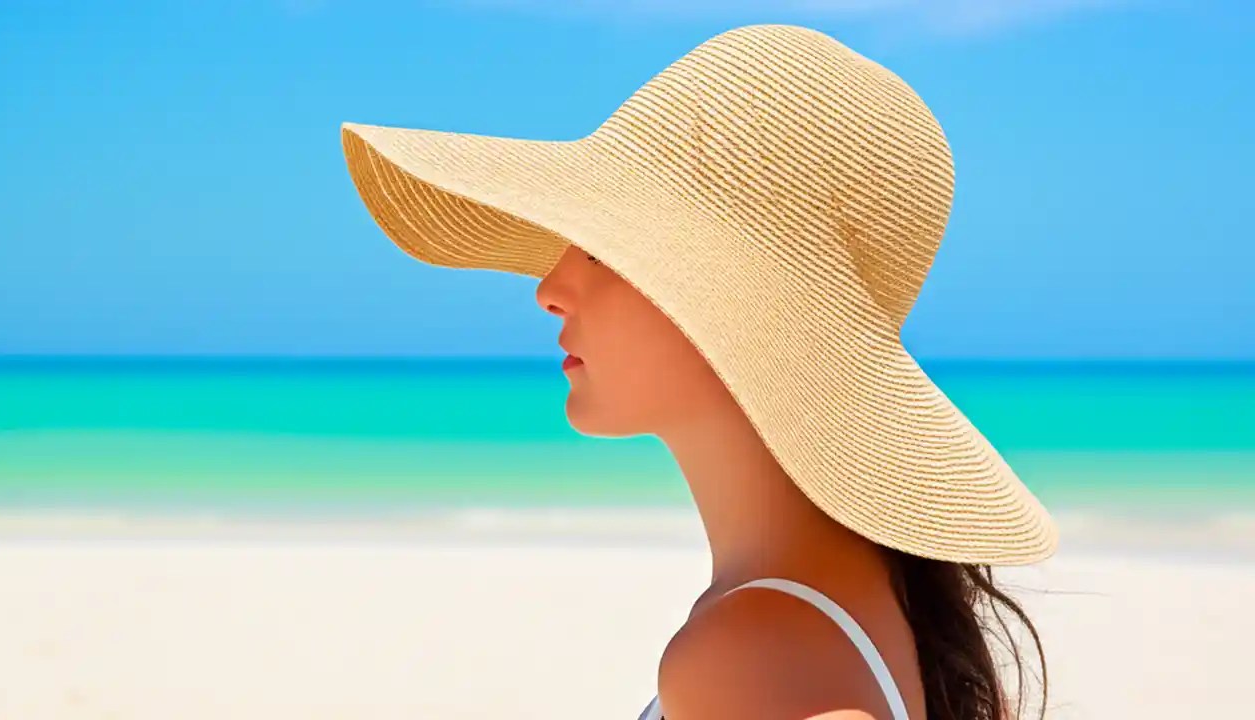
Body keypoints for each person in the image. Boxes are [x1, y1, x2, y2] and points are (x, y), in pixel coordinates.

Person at [339, 22, 1058, 720]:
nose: (548, 288)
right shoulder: (856, 601)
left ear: (734, 302)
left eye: (601, 249)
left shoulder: (747, 659)